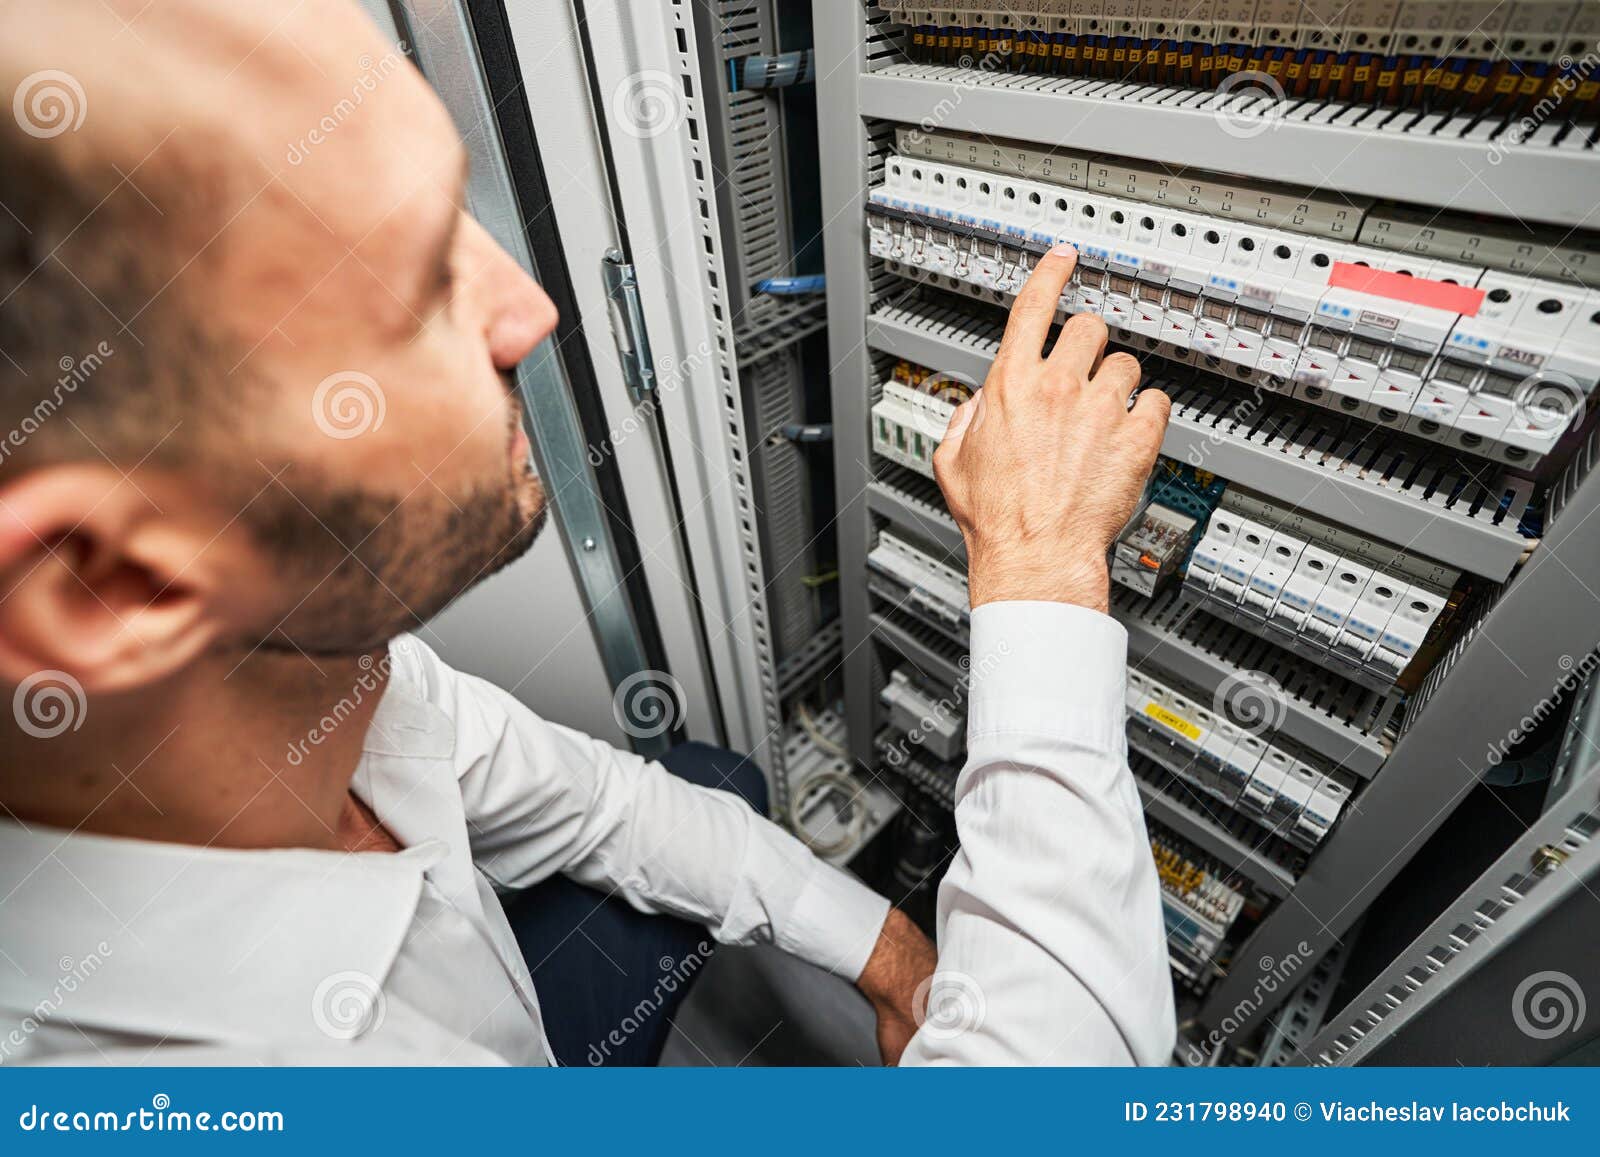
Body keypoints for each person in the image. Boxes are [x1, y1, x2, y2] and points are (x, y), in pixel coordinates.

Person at [0, 0, 1174, 1065]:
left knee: (706, 780)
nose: (533, 313)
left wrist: (891, 949)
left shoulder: (325, 670)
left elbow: (608, 805)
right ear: (106, 584)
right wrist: (1038, 565)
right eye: (413, 285)